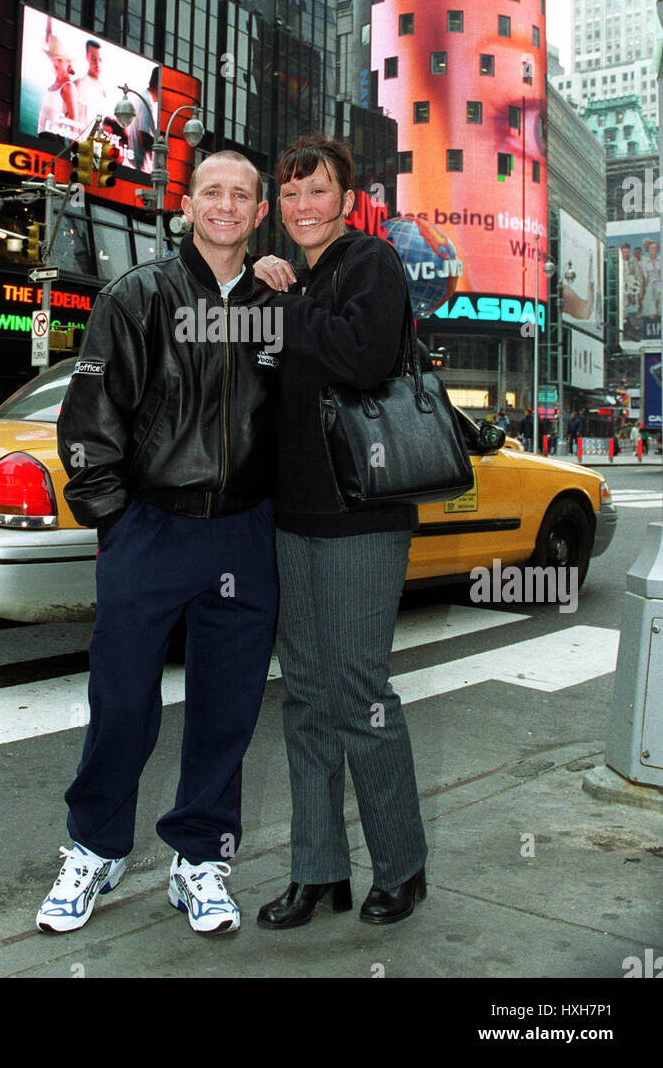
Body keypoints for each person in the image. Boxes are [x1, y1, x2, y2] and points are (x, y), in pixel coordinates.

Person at [38, 150, 280, 936]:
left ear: (258, 210)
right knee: (121, 700)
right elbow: (91, 415)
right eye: (211, 191)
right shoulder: (135, 294)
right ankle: (94, 850)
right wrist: (115, 517)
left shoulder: (279, 303)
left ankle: (200, 858)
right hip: (149, 526)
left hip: (245, 533)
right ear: (186, 204)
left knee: (228, 707)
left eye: (240, 195)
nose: (224, 205)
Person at [253, 134, 427, 930]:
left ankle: (401, 866)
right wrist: (265, 298)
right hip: (292, 514)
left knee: (361, 696)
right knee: (306, 698)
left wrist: (283, 308)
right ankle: (317, 871)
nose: (302, 208)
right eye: (289, 196)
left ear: (346, 197)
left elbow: (360, 358)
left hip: (362, 514)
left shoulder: (370, 263)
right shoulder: (283, 277)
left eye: (316, 191)